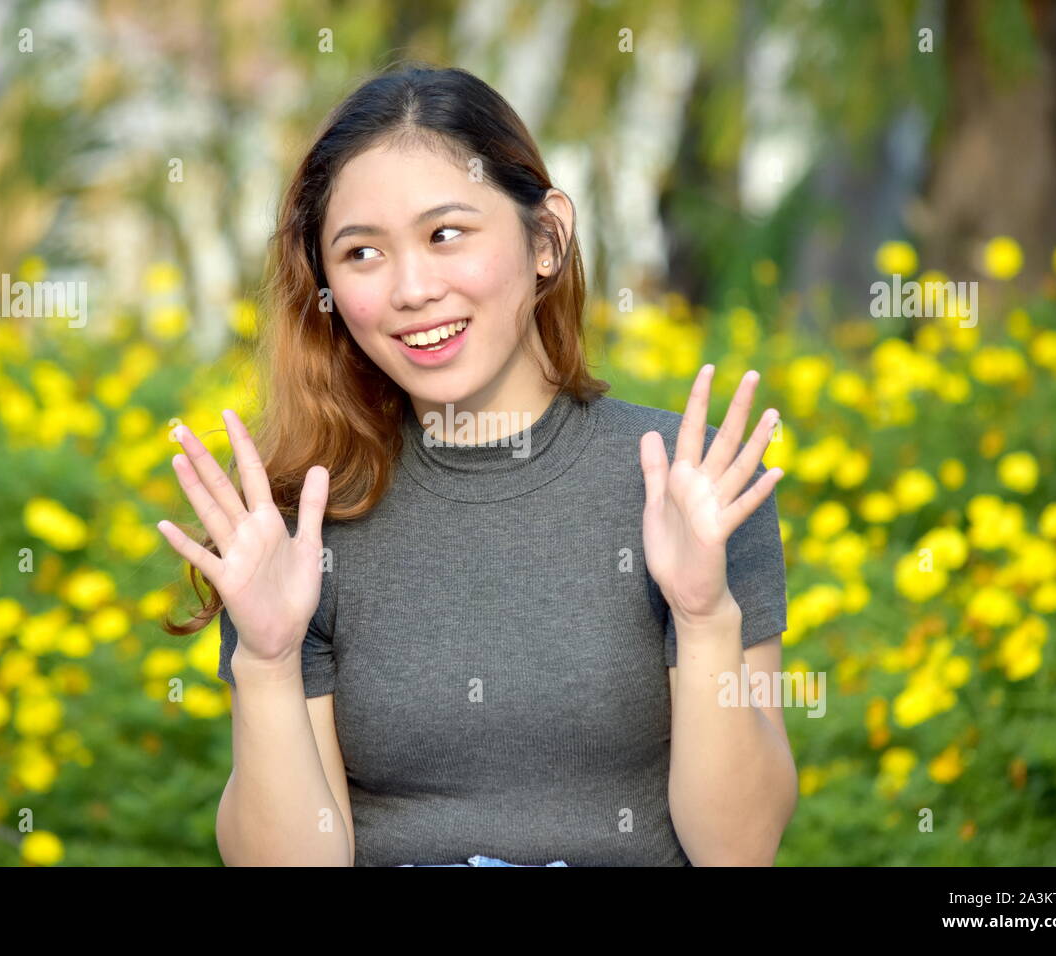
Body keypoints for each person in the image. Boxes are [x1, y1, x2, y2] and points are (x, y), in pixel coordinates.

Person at [157, 62, 794, 867]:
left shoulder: (694, 488)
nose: (412, 288)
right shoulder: (304, 522)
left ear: (546, 237)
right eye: (362, 254)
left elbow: (739, 851)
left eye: (445, 234)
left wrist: (704, 617)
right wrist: (268, 659)